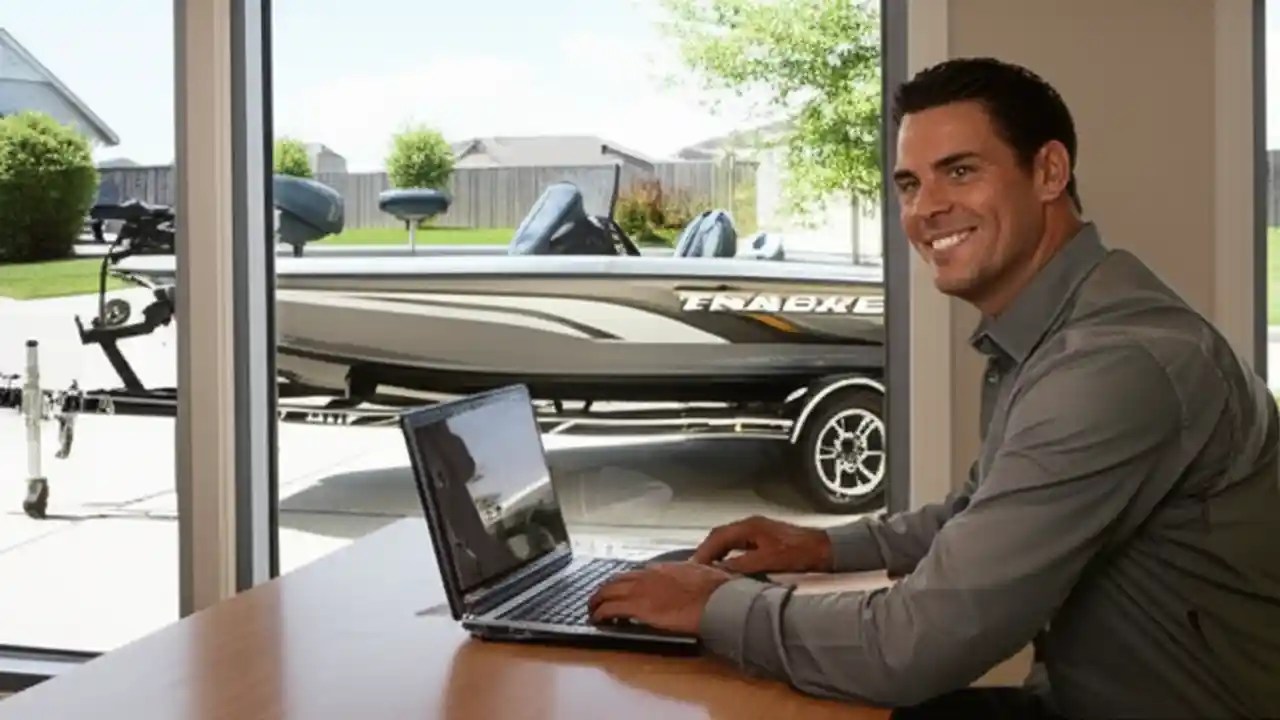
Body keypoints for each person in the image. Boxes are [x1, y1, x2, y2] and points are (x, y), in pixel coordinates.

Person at [587, 57, 1280, 719]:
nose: (926, 210)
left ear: (1049, 170)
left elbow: (917, 644)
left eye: (960, 172)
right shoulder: (1057, 332)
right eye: (911, 184)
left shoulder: (1111, 364)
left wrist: (711, 605)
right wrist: (824, 549)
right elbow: (981, 514)